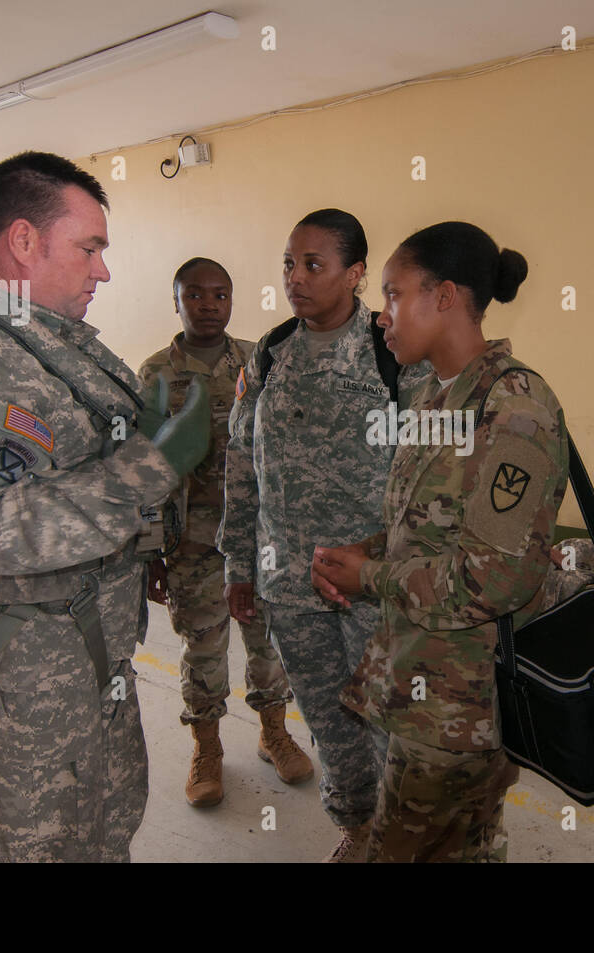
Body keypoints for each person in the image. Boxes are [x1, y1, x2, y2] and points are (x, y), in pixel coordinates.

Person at [0, 151, 212, 862]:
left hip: (88, 653)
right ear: (24, 241)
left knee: (103, 829)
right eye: (90, 248)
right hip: (23, 675)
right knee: (35, 847)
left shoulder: (42, 344)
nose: (103, 270)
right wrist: (154, 465)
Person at [311, 222, 569, 862]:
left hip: (467, 708)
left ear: (446, 296)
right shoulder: (434, 395)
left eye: (395, 294)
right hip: (422, 682)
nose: (381, 314)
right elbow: (425, 527)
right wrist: (366, 553)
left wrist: (368, 579)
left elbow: (499, 577)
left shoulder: (514, 407)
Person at [218, 209, 426, 861]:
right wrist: (239, 565)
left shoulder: (392, 353)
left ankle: (400, 839)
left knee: (389, 726)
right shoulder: (270, 352)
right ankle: (358, 828)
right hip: (290, 587)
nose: (295, 278)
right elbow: (240, 462)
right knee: (332, 726)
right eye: (288, 263)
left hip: (371, 586)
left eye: (314, 264)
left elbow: (429, 477)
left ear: (356, 273)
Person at [138, 257, 312, 807]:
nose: (209, 305)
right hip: (191, 542)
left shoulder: (257, 362)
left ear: (232, 301)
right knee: (204, 648)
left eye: (220, 294)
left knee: (267, 644)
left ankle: (273, 733)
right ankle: (207, 748)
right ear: (176, 301)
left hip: (258, 538)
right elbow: (141, 470)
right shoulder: (155, 374)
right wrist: (148, 553)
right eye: (195, 295)